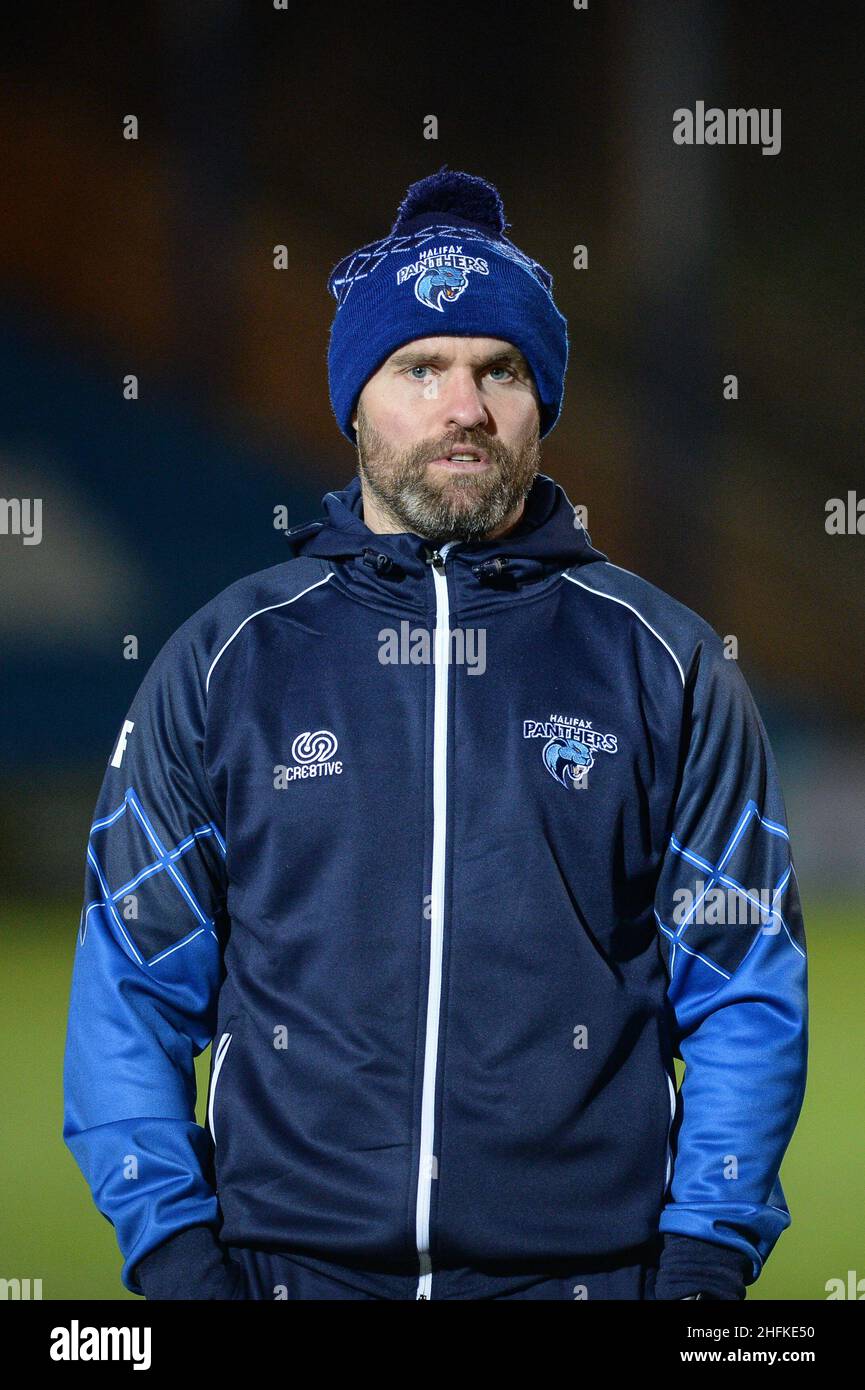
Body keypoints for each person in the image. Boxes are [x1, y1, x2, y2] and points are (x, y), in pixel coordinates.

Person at [62, 166, 808, 1301]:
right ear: (355, 398)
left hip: (588, 1280)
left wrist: (704, 1264)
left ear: (539, 401)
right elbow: (130, 982)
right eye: (420, 367)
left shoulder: (665, 662)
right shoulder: (226, 662)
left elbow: (744, 978)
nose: (463, 406)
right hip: (285, 1279)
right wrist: (173, 1258)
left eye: (498, 369)